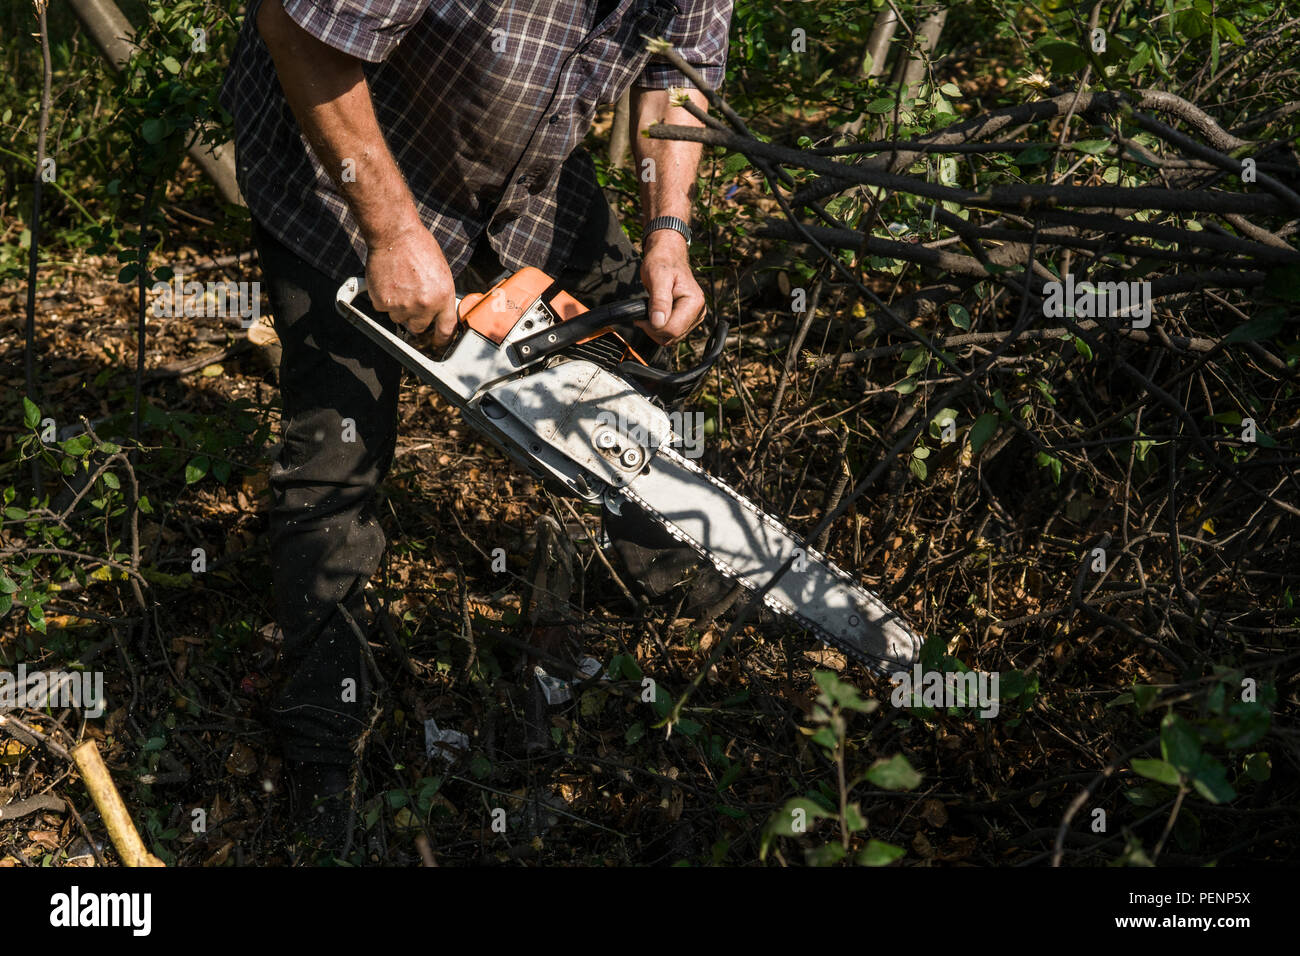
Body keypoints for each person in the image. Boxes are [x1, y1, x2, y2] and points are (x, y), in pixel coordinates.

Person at [219, 0, 734, 843]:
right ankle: (325, 747)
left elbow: (673, 82)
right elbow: (296, 26)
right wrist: (390, 229)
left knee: (635, 367)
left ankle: (701, 608)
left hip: (520, 181)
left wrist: (668, 231)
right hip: (342, 166)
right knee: (337, 440)